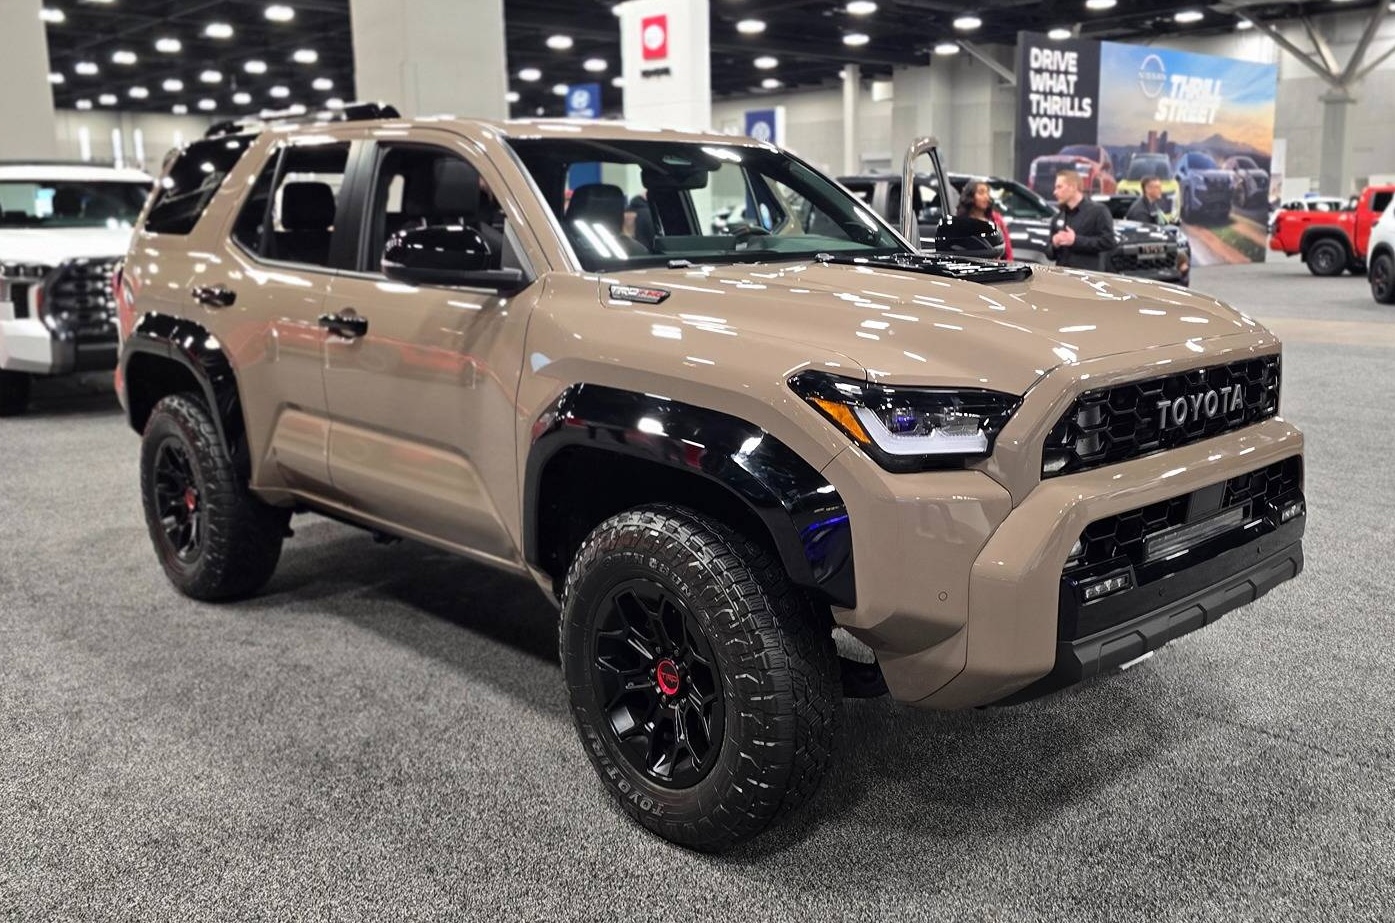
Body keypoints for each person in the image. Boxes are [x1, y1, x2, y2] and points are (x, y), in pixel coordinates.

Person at [1048, 168, 1116, 269]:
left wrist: (1076, 241)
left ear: (1073, 187)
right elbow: (1049, 254)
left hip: (1088, 277)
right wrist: (1054, 244)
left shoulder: (1098, 211)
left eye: (1059, 187)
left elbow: (1109, 242)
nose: (1055, 192)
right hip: (1063, 278)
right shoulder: (1058, 217)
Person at [955, 179, 1013, 261]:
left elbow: (1008, 253)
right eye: (981, 193)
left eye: (987, 193)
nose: (986, 197)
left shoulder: (996, 219)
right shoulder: (961, 222)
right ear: (971, 196)